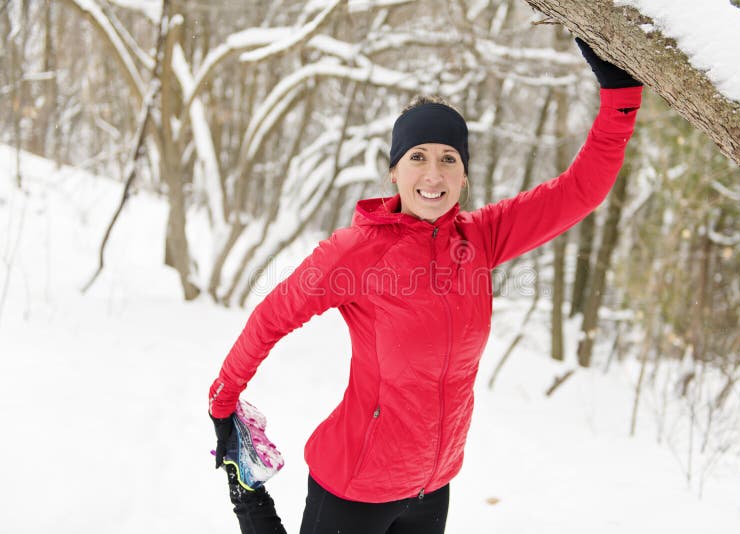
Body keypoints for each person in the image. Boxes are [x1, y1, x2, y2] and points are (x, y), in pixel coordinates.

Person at [209, 37, 643, 534]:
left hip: (432, 489)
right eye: (417, 156)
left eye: (448, 159)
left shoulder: (480, 240)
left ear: (464, 177)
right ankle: (247, 496)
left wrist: (620, 98)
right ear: (394, 171)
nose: (433, 173)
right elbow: (271, 316)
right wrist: (223, 400)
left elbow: (579, 191)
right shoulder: (357, 252)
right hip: (355, 488)